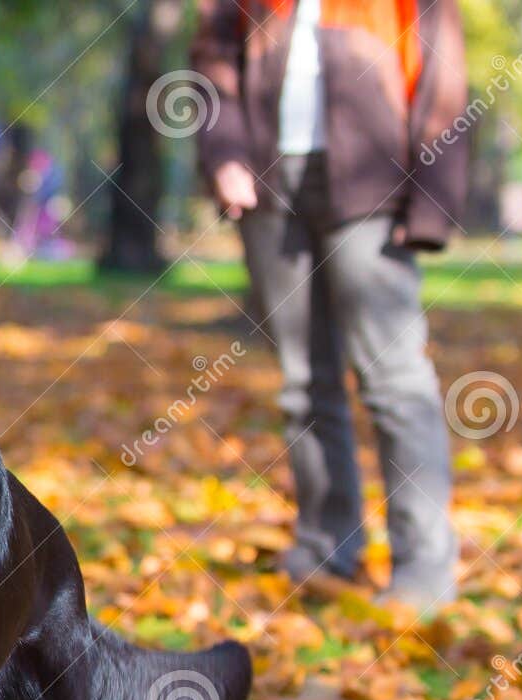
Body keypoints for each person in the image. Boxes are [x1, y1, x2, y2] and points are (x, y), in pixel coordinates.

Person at [192, 0, 468, 610]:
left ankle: (424, 568)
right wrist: (225, 154)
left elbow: (441, 69)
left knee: (395, 379)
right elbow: (214, 56)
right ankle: (327, 548)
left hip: (375, 179)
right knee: (303, 383)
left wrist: (430, 201)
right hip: (268, 180)